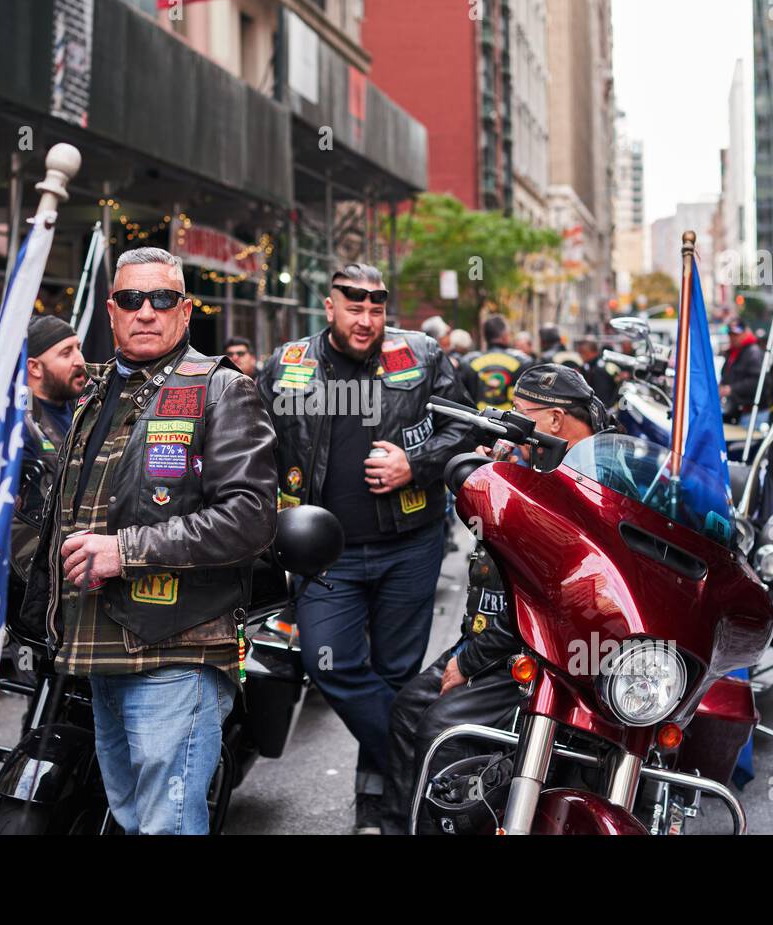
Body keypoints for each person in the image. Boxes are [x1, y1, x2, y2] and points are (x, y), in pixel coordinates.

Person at [20, 247, 277, 835]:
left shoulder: (222, 389)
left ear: (184, 311)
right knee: (135, 819)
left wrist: (126, 550)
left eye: (162, 299)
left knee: (167, 825)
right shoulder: (95, 393)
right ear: (111, 311)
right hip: (94, 648)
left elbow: (249, 519)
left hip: (175, 647)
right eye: (131, 299)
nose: (146, 312)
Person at [256, 263, 473, 832]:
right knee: (329, 663)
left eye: (376, 308)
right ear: (329, 307)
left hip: (410, 545)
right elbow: (250, 446)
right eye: (354, 308)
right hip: (326, 556)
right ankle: (425, 758)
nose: (366, 319)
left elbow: (466, 430)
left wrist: (415, 465)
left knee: (397, 674)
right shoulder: (288, 365)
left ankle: (381, 809)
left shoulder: (422, 355)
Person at [380, 363, 602, 835]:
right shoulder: (541, 460)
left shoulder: (590, 477)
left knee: (441, 727)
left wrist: (470, 661)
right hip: (494, 634)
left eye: (524, 416)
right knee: (407, 707)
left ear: (557, 420)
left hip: (541, 650)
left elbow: (545, 592)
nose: (515, 428)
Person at [12, 316, 88, 585]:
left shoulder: (85, 408)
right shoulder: (17, 427)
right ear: (34, 367)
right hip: (42, 577)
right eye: (66, 353)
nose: (79, 360)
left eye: (78, 348)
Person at [463, 315, 532, 409]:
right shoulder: (523, 361)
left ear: (485, 336)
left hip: (477, 419)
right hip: (511, 421)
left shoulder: (468, 361)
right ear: (505, 335)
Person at [719, 317, 763, 421]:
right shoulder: (733, 352)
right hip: (736, 411)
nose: (732, 337)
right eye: (731, 334)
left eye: (736, 334)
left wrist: (731, 389)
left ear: (745, 332)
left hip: (751, 413)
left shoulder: (753, 352)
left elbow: (758, 381)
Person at [575, 336, 619, 407]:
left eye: (581, 353)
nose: (580, 356)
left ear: (587, 352)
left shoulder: (600, 369)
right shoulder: (590, 366)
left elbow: (601, 396)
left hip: (603, 408)